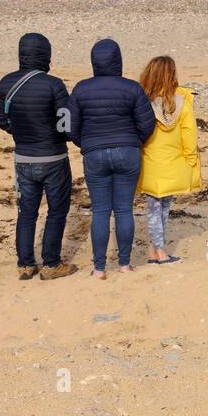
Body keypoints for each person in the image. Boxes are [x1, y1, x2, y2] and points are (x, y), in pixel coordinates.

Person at [66, 39, 156, 279]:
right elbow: (147, 124)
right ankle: (125, 264)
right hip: (127, 151)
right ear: (118, 60)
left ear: (94, 62)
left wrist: (84, 143)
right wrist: (134, 141)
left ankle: (99, 268)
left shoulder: (81, 89)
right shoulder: (132, 88)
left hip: (95, 153)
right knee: (124, 209)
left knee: (101, 211)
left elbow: (68, 126)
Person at [0, 33, 78, 281]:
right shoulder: (54, 84)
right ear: (46, 55)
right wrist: (54, 137)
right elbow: (66, 124)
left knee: (26, 212)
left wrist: (20, 133)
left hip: (23, 159)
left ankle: (25, 265)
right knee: (57, 211)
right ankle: (51, 264)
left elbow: (1, 121)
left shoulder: (6, 83)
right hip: (54, 159)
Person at [136, 56, 201, 265]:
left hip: (149, 162)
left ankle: (155, 250)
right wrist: (191, 160)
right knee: (162, 207)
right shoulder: (183, 103)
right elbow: (189, 137)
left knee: (154, 207)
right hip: (173, 162)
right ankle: (160, 252)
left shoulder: (141, 101)